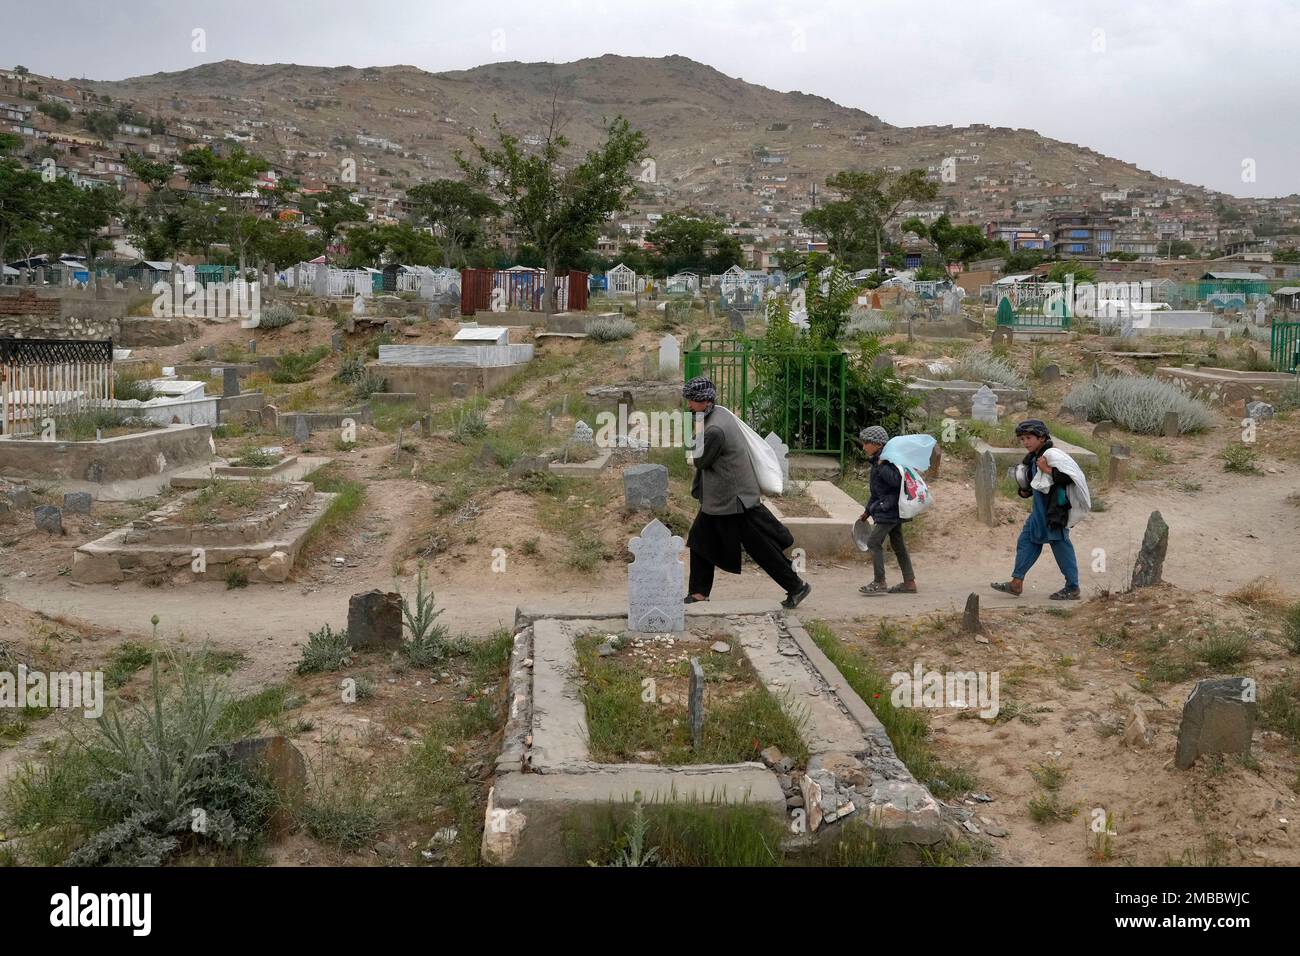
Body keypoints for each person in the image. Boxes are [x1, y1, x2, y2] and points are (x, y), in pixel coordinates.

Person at [682, 376, 812, 609]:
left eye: (692, 401)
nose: (689, 405)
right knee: (700, 540)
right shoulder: (719, 413)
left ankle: (796, 586)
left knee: (760, 549)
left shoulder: (714, 430)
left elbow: (700, 460)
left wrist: (693, 439)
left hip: (731, 500)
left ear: (704, 401)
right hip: (727, 497)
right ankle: (699, 593)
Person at [991, 419, 1085, 600]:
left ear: (1042, 438)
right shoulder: (1034, 458)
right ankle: (1016, 583)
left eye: (1029, 438)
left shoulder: (1053, 455)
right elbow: (1037, 484)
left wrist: (1047, 469)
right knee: (1026, 541)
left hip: (1055, 512)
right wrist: (1025, 490)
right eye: (1022, 439)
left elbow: (1069, 478)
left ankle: (1073, 587)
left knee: (1061, 547)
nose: (1025, 442)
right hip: (1038, 512)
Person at [857, 426, 917, 596]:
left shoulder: (887, 461)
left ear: (877, 444)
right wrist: (868, 511)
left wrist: (882, 466)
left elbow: (896, 482)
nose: (864, 446)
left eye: (866, 443)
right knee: (898, 545)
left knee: (873, 542)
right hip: (889, 509)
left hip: (889, 510)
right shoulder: (878, 460)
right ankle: (909, 582)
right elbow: (877, 491)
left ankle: (879, 582)